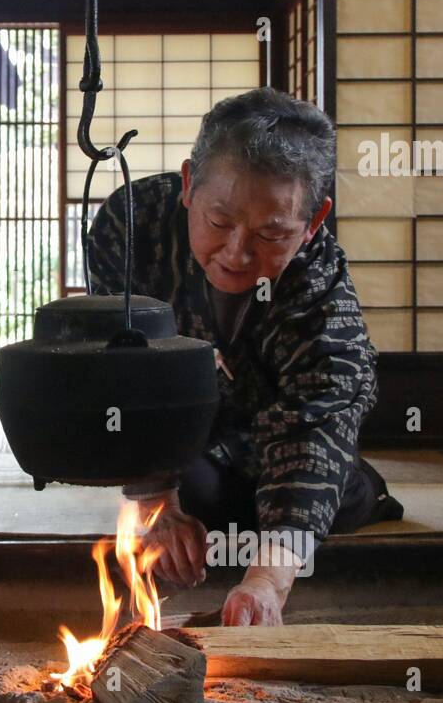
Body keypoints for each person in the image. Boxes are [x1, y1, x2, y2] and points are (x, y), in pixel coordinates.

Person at [85, 87, 402, 627]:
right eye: (219, 221)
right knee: (197, 496)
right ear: (189, 185)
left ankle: (330, 496)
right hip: (193, 429)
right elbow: (120, 371)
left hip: (277, 430)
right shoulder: (131, 227)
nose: (236, 253)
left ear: (313, 221)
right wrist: (154, 503)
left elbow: (315, 421)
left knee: (334, 498)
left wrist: (267, 580)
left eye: (271, 233)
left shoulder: (318, 282)